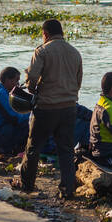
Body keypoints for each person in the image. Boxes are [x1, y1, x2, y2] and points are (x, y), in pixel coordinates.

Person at [14, 18, 82, 198]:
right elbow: (78, 82)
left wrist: (32, 86)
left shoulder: (42, 51)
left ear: (45, 34)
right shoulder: (75, 53)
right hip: (69, 107)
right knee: (66, 150)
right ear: (61, 32)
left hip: (46, 108)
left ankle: (27, 184)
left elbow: (31, 80)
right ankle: (67, 189)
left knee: (33, 147)